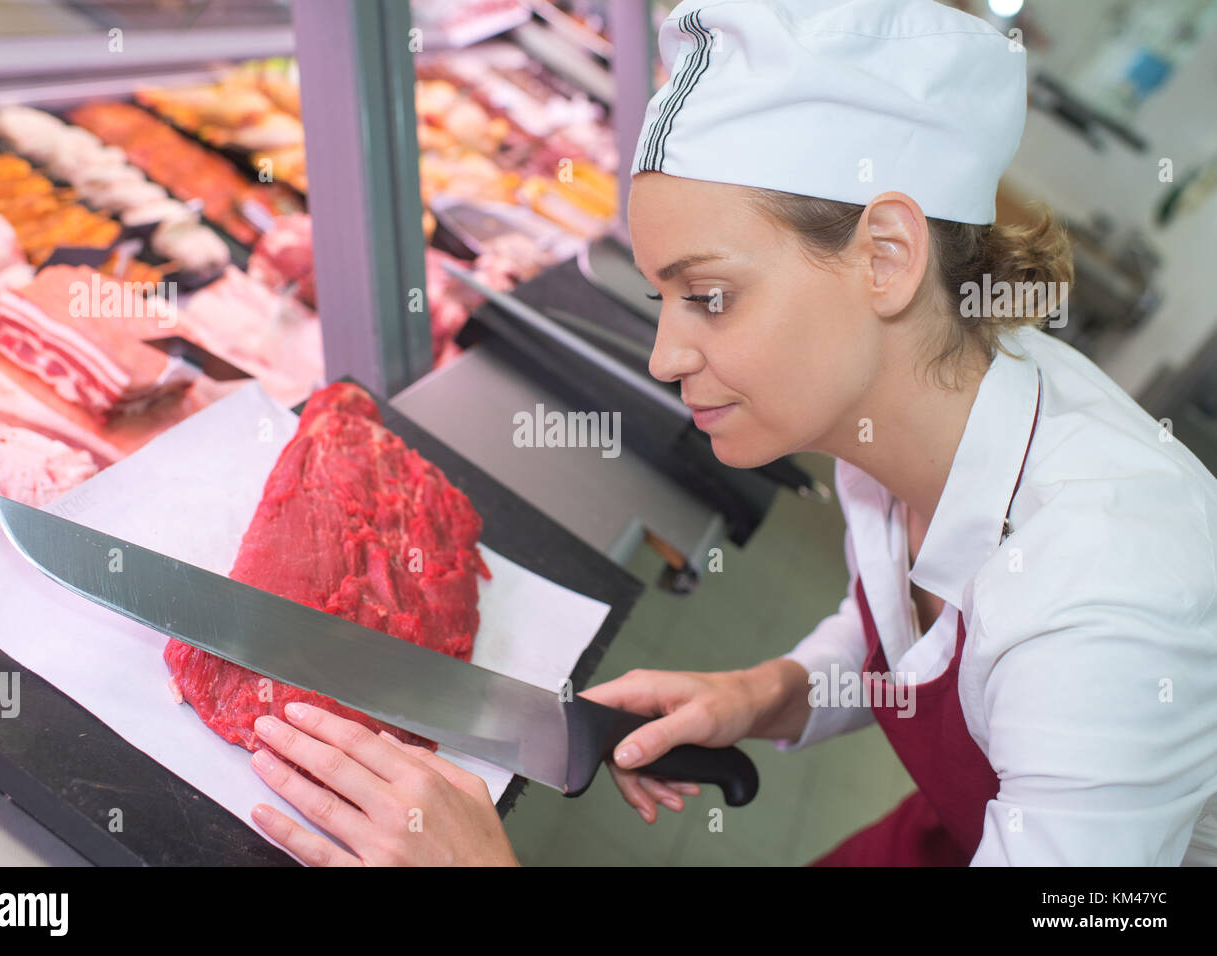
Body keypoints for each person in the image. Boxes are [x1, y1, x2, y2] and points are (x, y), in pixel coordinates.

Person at [246, 0, 1217, 866]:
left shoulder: (1106, 604)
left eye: (709, 296)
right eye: (660, 295)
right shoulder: (918, 406)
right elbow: (905, 618)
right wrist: (769, 691)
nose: (665, 356)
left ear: (886, 255)